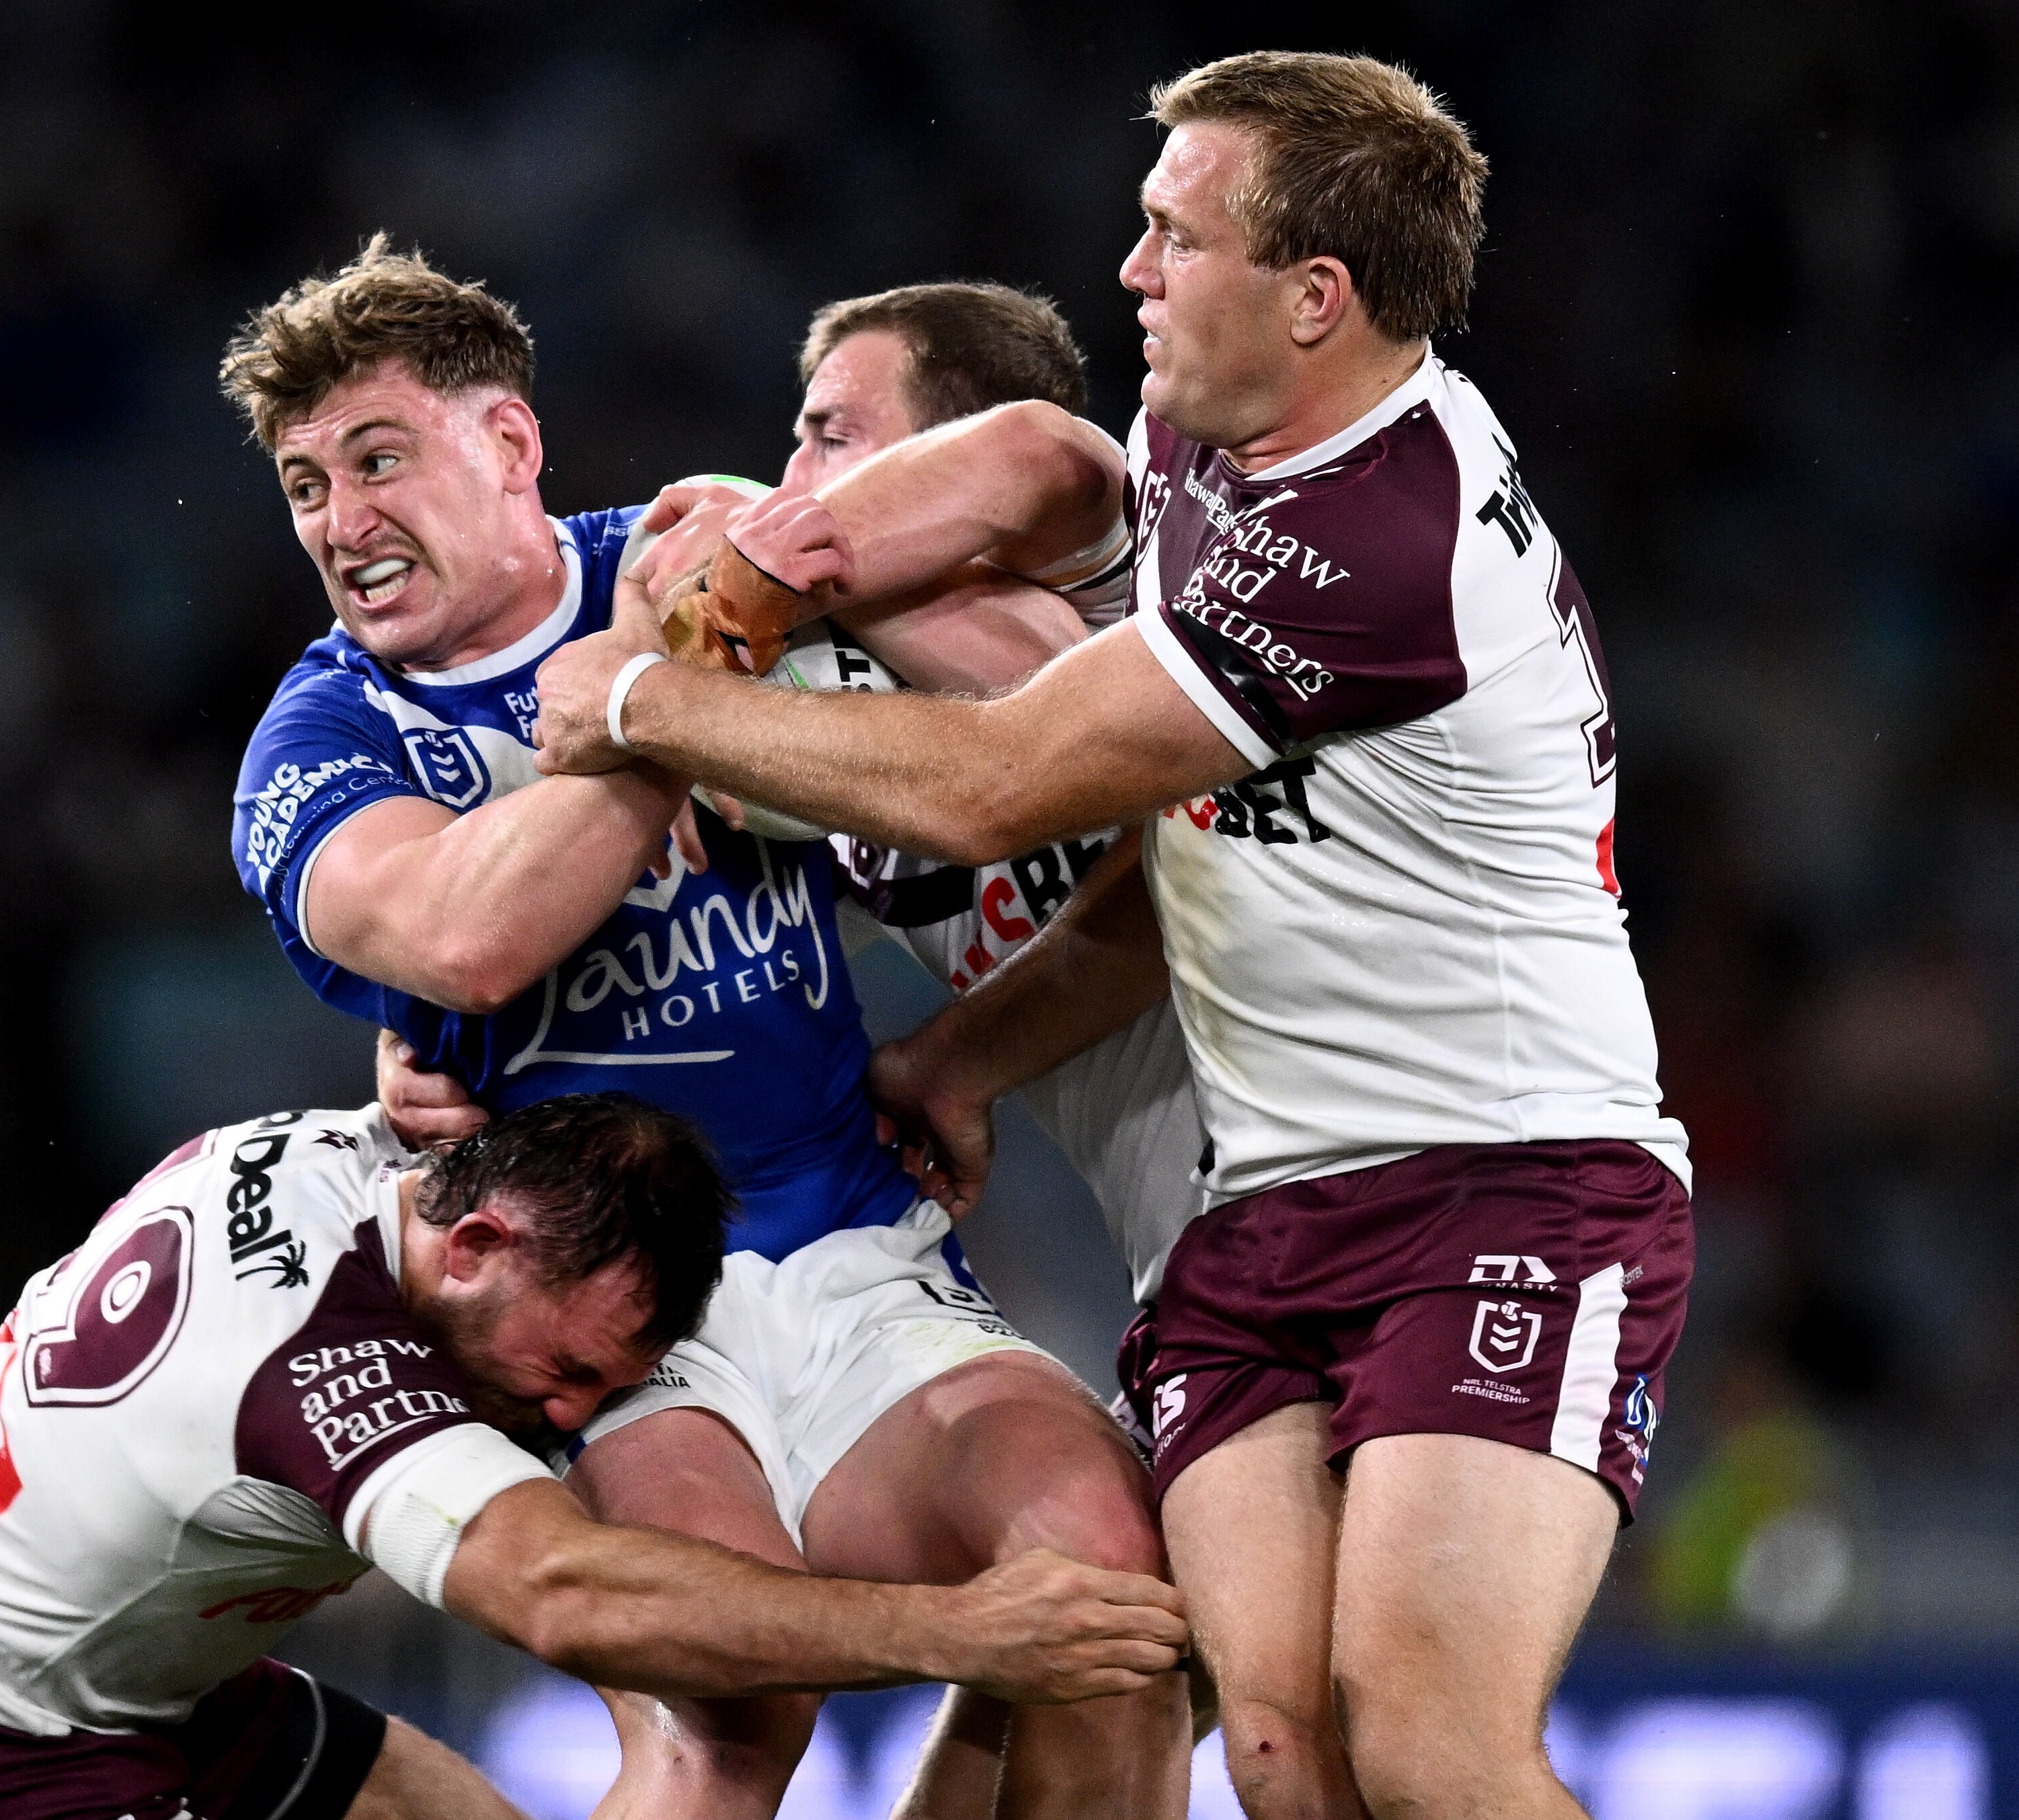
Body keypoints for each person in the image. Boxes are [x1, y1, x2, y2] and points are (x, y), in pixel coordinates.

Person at [531, 50, 1694, 1820]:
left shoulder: (1369, 544)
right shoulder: (1212, 437)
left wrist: (643, 696)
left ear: (1313, 298)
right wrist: (792, 561)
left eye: (1172, 235)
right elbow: (1051, 542)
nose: (1132, 274)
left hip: (1501, 1176)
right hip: (1242, 1223)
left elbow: (1004, 775)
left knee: (1428, 1749)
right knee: (1285, 1756)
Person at [219, 244, 1185, 1818]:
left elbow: (1075, 707)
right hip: (600, 1321)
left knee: (1106, 1606)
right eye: (304, 485)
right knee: (736, 1713)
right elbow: (467, 941)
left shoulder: (694, 547)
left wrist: (773, 572)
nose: (340, 520)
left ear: (509, 444)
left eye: (377, 458)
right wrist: (687, 677)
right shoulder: (314, 740)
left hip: (856, 1247)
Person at [0, 1093, 1188, 1820]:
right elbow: (565, 1594)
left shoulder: (370, 1164)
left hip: (143, 1685)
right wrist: (965, 1631)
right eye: (571, 1369)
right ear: (477, 1249)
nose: (572, 1413)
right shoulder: (315, 1370)